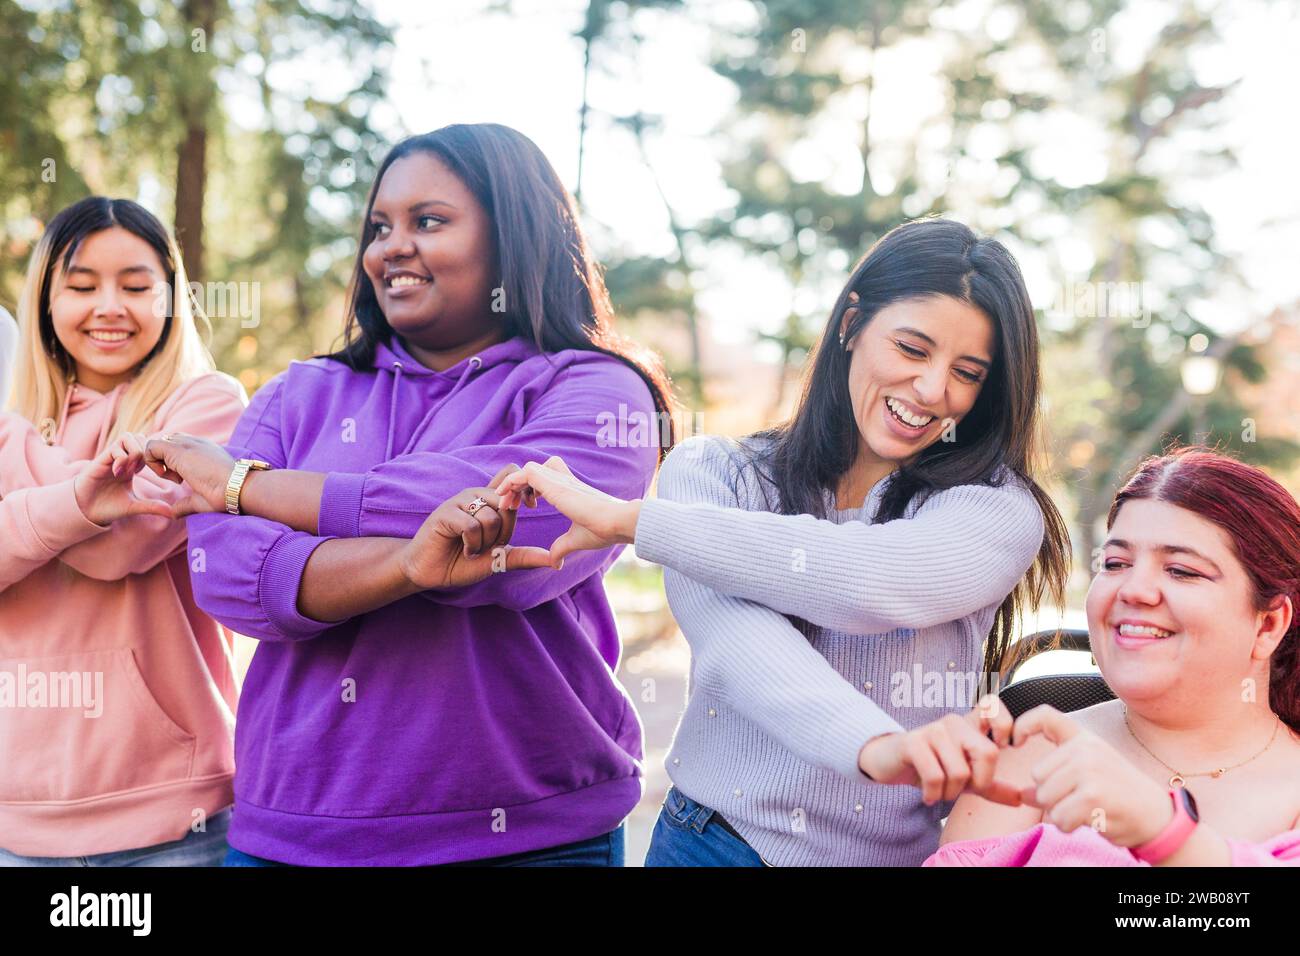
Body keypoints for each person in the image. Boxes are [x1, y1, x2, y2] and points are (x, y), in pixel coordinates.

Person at [139, 123, 674, 866]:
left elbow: (534, 533)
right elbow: (230, 577)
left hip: (530, 837)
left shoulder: (597, 388)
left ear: (512, 237)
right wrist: (408, 564)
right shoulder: (297, 393)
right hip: (296, 835)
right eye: (379, 226)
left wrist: (247, 488)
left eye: (428, 221)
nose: (391, 246)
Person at [496, 218, 1071, 865]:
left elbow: (866, 581)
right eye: (912, 349)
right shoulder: (713, 473)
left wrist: (636, 522)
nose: (934, 390)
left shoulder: (997, 509)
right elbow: (742, 650)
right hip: (710, 843)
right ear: (851, 325)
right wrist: (875, 746)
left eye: (967, 372)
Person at [0, 197, 246, 866]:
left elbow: (122, 544)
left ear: (170, 296)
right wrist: (79, 488)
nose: (109, 306)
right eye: (81, 286)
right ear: (46, 301)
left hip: (176, 818)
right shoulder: (11, 420)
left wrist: (15, 458)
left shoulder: (206, 405)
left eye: (136, 286)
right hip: (16, 817)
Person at [928, 447, 1300, 866]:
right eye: (1116, 562)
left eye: (1181, 570)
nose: (1133, 590)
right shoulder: (1031, 755)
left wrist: (1166, 834)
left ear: (1268, 624)